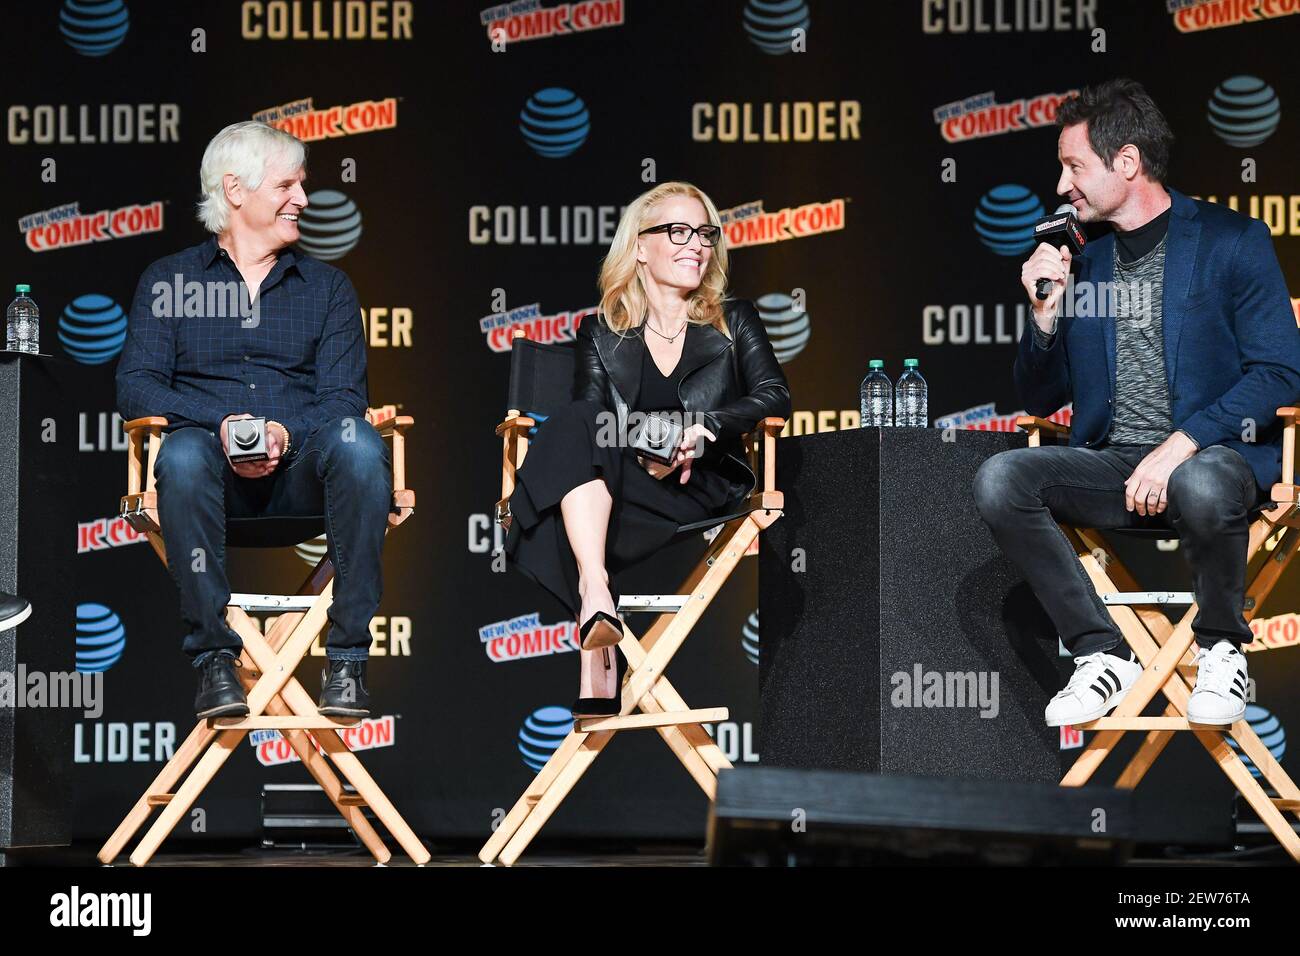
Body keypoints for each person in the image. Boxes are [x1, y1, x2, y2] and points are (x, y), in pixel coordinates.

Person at [973, 78, 1300, 728]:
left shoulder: (1232, 240)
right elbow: (1040, 396)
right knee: (1001, 479)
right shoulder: (1085, 265)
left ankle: (1220, 649)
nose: (1061, 186)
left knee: (1202, 478)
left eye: (1074, 167)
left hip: (1216, 459)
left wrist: (1181, 446)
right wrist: (1044, 313)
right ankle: (1103, 653)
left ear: (1126, 162)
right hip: (1115, 467)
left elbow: (1282, 373)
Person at [116, 121, 391, 720]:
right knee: (182, 452)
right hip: (208, 483)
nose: (303, 199)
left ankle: (347, 659)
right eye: (287, 186)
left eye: (302, 185)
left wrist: (283, 433)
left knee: (359, 442)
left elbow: (343, 397)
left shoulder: (328, 288)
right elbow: (136, 387)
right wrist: (222, 423)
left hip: (302, 482)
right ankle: (215, 661)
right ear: (235, 190)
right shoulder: (169, 281)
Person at [504, 181, 791, 716]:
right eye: (679, 231)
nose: (696, 244)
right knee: (576, 424)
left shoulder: (734, 319)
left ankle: (595, 622)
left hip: (699, 488)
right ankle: (597, 595)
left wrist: (703, 427)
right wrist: (645, 451)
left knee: (550, 498)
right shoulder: (600, 331)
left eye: (705, 233)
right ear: (639, 246)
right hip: (624, 482)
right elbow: (593, 421)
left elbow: (774, 394)